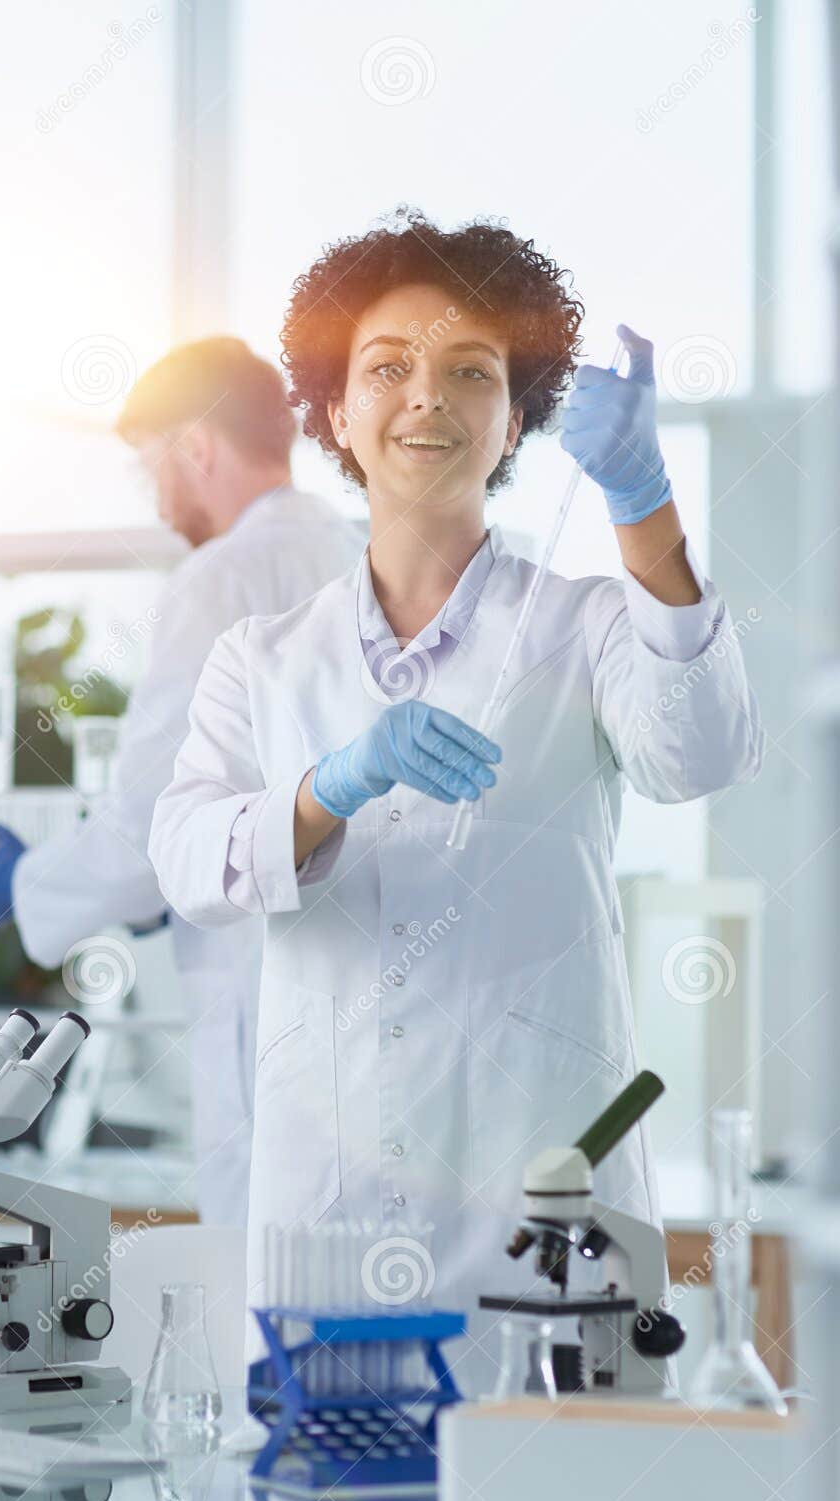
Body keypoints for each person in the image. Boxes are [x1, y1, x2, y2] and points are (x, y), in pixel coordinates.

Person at [147, 213, 765, 1391]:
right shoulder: (262, 658)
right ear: (334, 410)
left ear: (519, 415)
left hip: (551, 1229)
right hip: (328, 1237)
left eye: (470, 372)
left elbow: (700, 752)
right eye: (386, 368)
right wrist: (328, 789)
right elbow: (186, 859)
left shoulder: (584, 623)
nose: (423, 398)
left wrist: (641, 496)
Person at [0, 339, 360, 1225]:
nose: (155, 494)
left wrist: (21, 892)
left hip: (265, 995)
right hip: (363, 990)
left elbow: (155, 825)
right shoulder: (357, 553)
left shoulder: (219, 575)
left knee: (268, 1283)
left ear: (196, 446)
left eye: (151, 465)